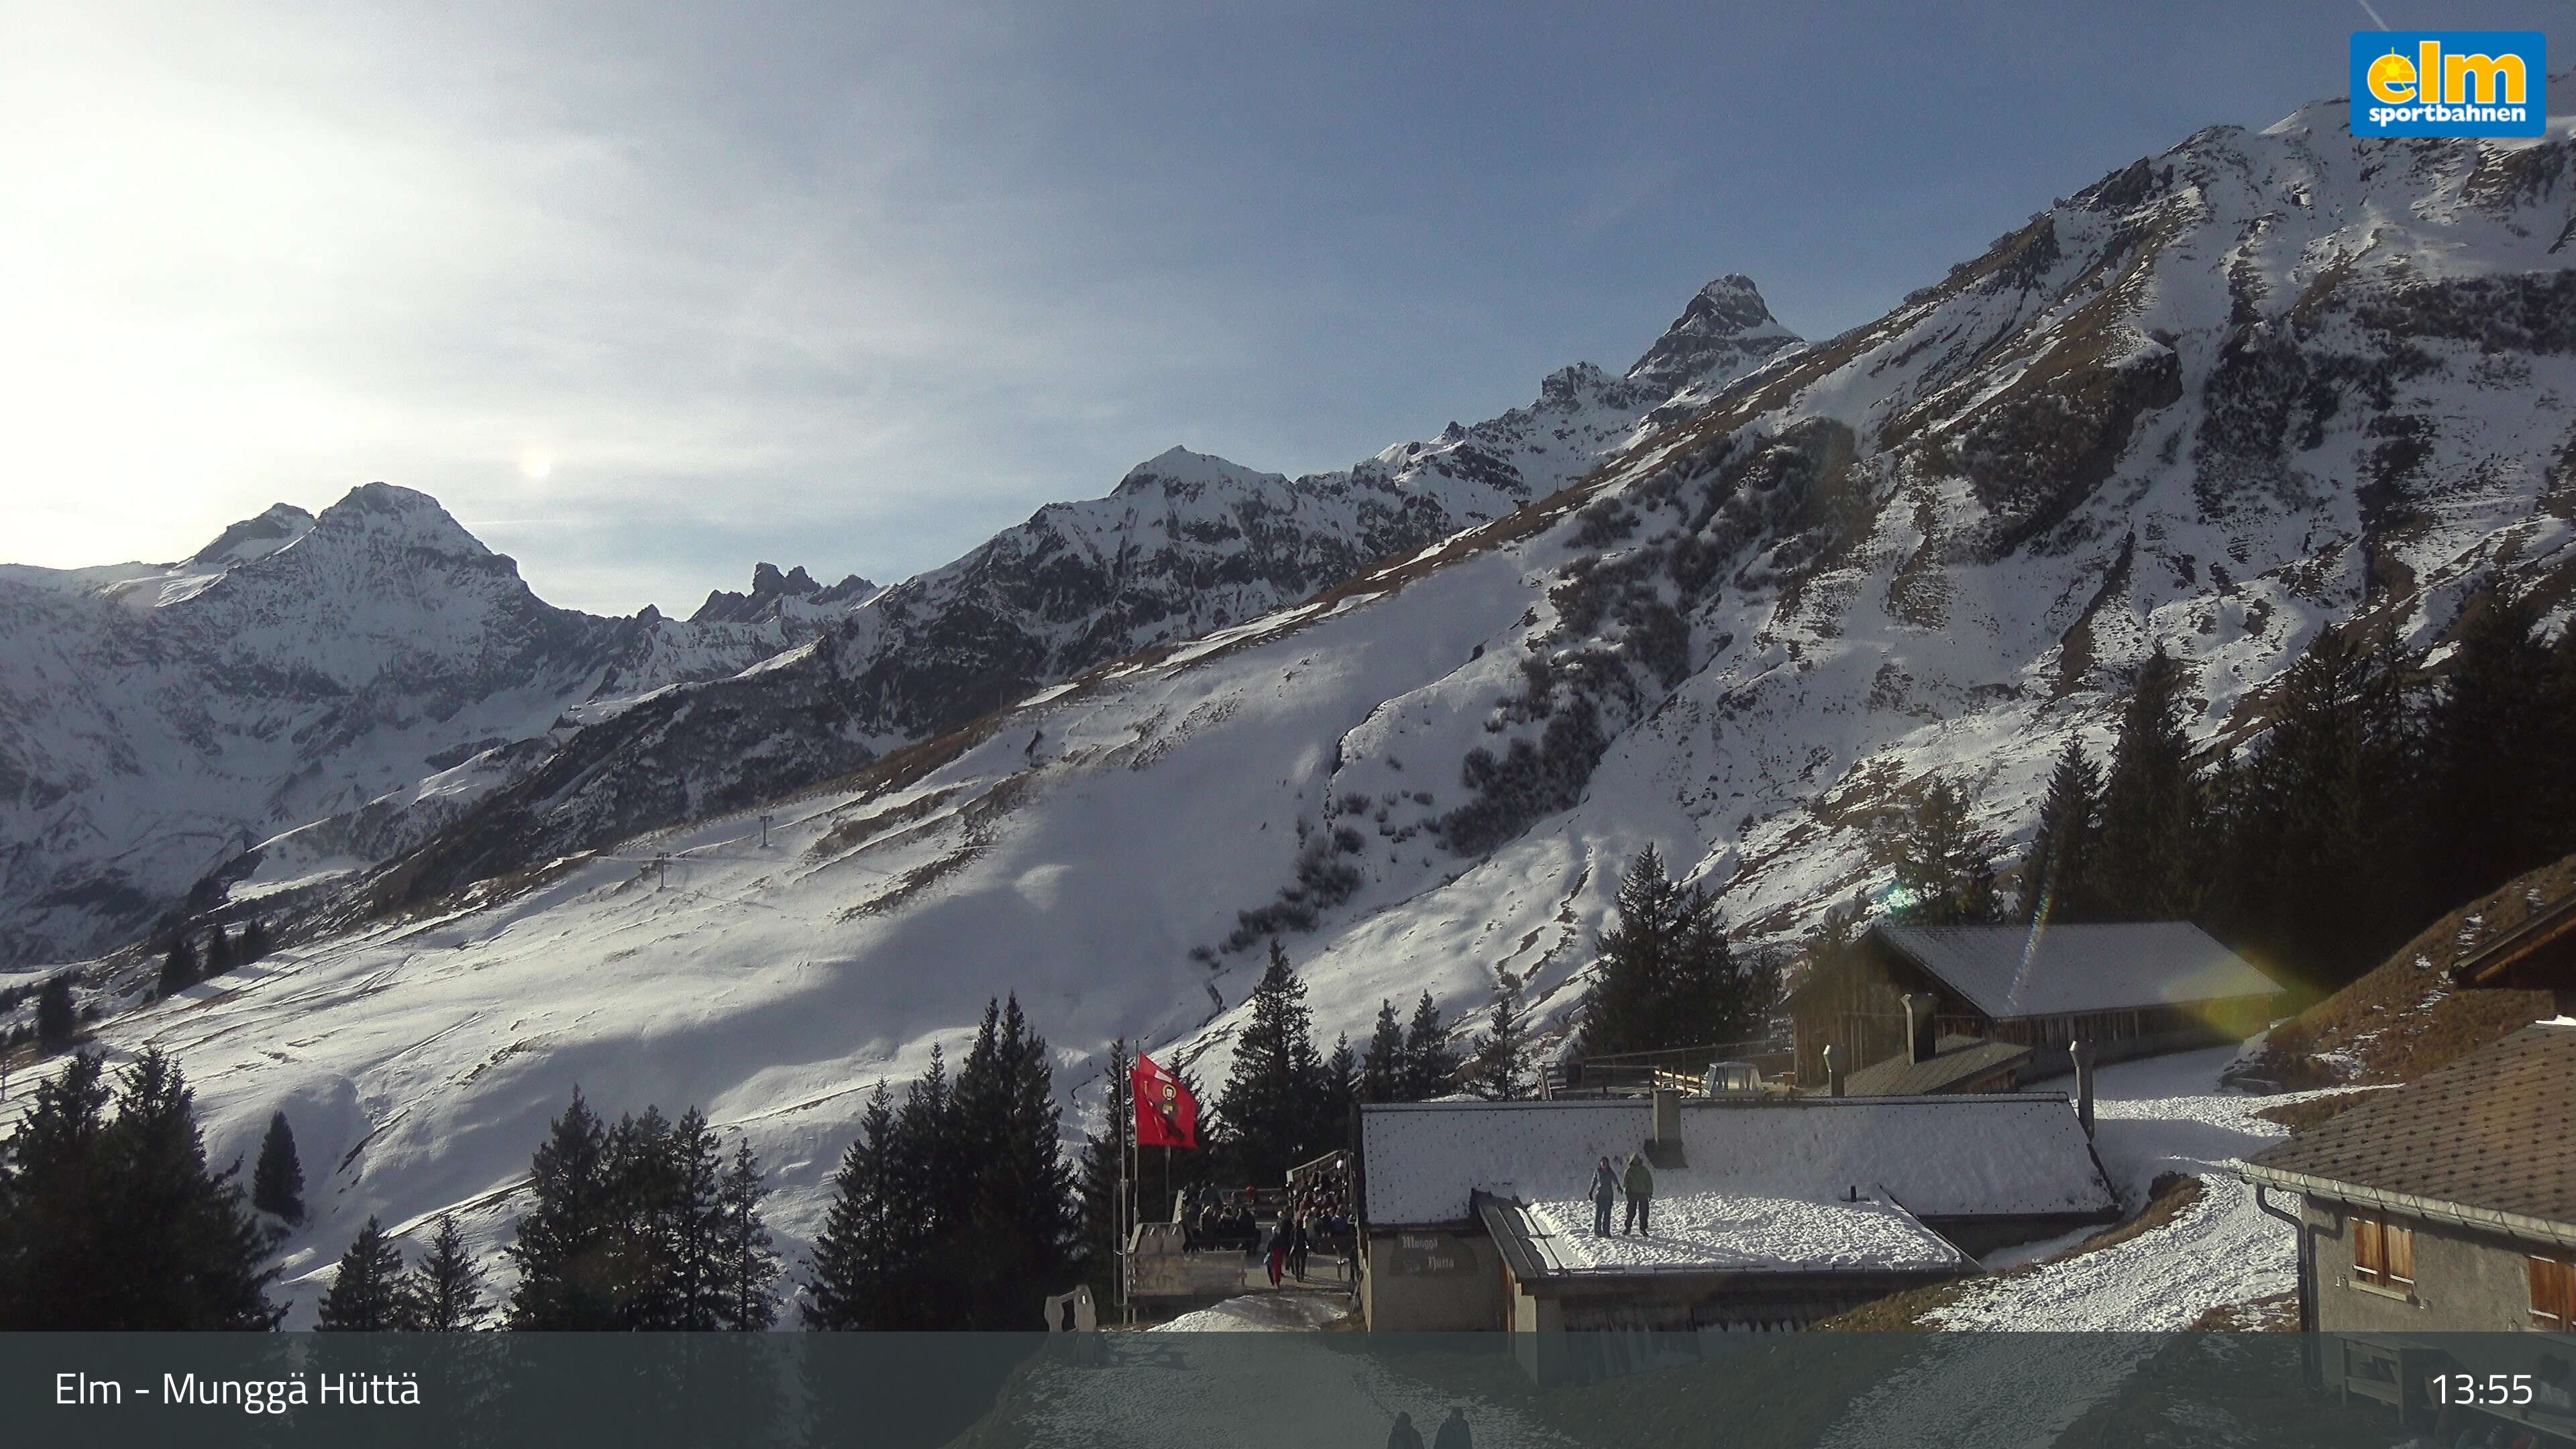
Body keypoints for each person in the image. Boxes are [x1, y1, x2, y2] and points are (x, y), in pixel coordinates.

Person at [1622, 1151, 1654, 1234]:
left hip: (1643, 1194)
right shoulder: (1629, 1171)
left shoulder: (1644, 1170)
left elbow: (1649, 1181)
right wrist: (1627, 1192)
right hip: (1632, 1194)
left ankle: (1643, 1228)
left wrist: (1650, 1192)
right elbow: (1626, 1183)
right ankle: (1628, 1227)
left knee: (1644, 1212)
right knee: (1631, 1212)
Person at [1589, 1155, 1618, 1238]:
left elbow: (1615, 1180)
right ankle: (1597, 1231)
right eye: (1603, 1163)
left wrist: (1618, 1186)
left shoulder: (1610, 1172)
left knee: (1607, 1214)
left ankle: (1606, 1231)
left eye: (1605, 1163)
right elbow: (1594, 1182)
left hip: (1609, 1195)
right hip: (1600, 1195)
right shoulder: (1598, 1172)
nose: (1604, 1164)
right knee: (1599, 1213)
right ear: (1600, 1164)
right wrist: (1591, 1191)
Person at [1265, 1218, 1289, 1287]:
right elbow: (1284, 1246)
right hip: (1280, 1254)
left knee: (1271, 1268)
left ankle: (1273, 1281)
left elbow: (1268, 1248)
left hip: (1274, 1254)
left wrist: (1268, 1252)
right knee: (1278, 1268)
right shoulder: (1281, 1238)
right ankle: (1277, 1282)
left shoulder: (1271, 1239)